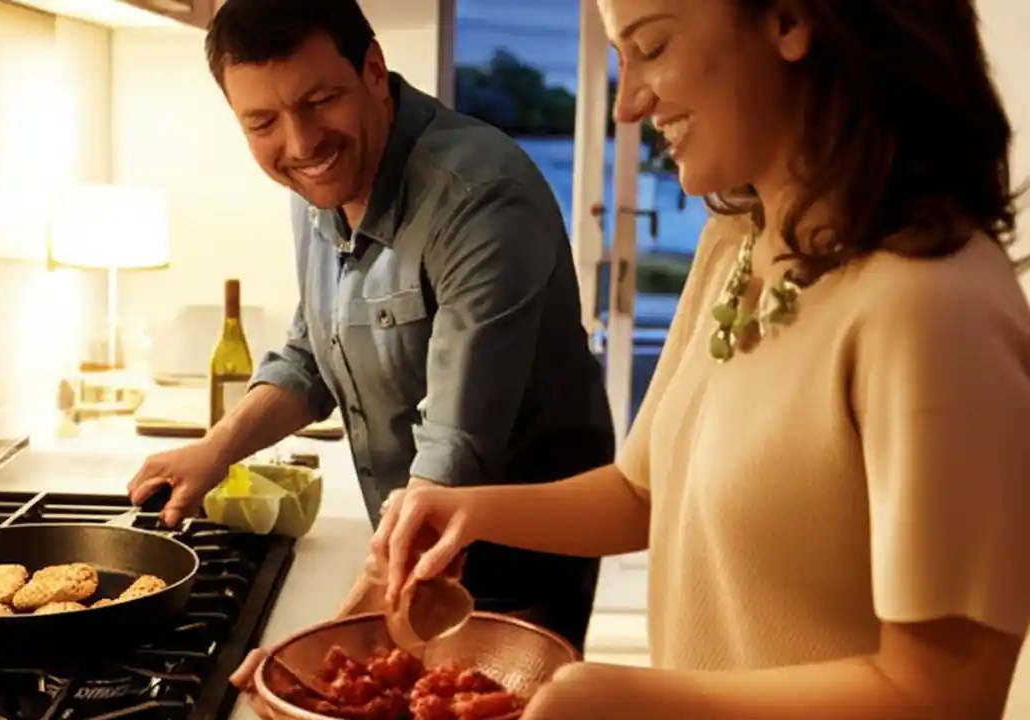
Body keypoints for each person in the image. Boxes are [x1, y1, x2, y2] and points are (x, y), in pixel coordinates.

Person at [372, 0, 1030, 717]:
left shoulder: (933, 303)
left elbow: (944, 694)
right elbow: (644, 495)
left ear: (788, 20)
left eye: (651, 49)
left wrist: (636, 701)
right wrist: (468, 512)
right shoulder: (740, 241)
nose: (627, 104)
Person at [126, 0, 616, 654]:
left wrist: (341, 638)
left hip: (520, 542)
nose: (300, 144)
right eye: (263, 121)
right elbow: (310, 354)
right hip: (411, 522)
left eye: (321, 99)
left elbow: (456, 447)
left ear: (375, 70)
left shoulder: (479, 198)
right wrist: (214, 450)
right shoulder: (318, 184)